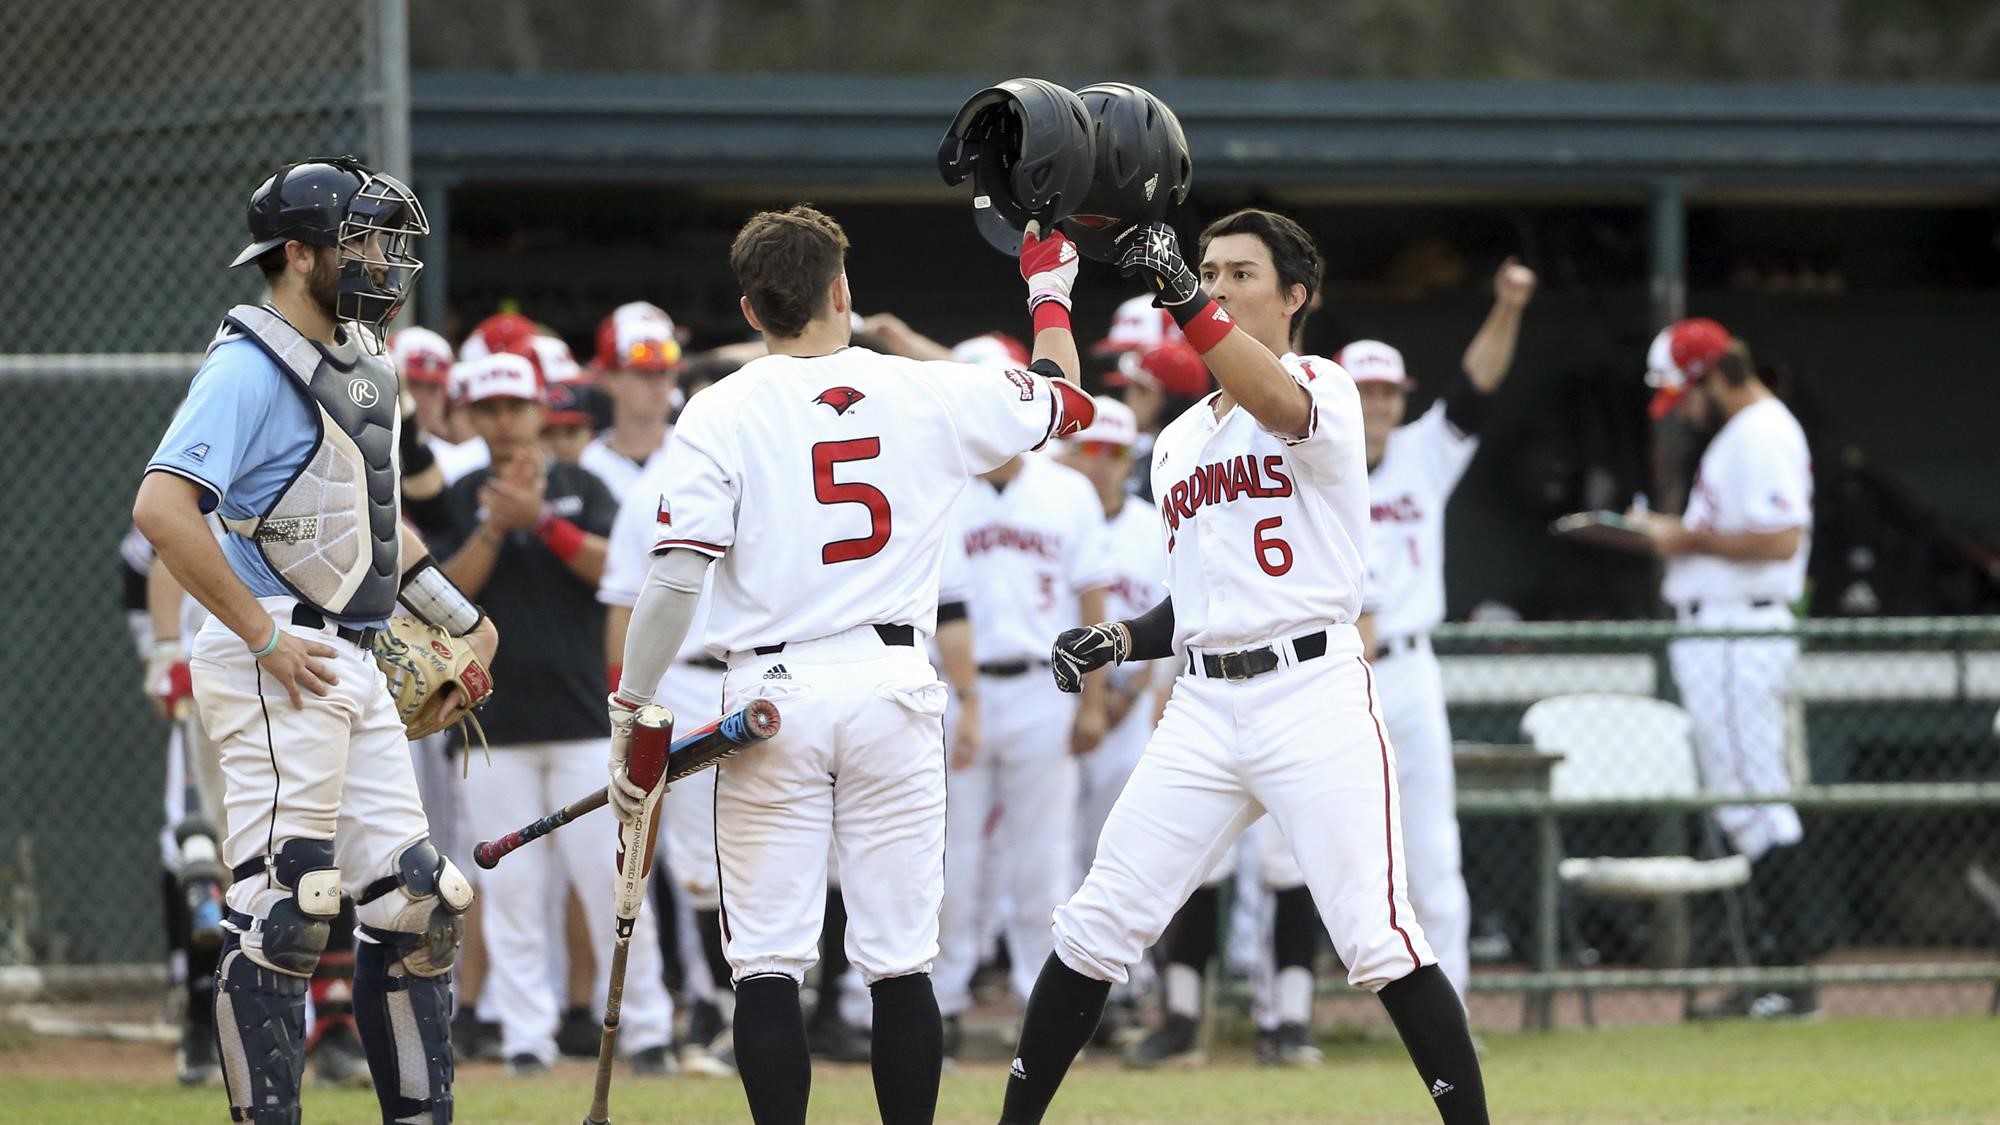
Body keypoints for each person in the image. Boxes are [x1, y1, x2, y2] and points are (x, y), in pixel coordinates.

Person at [994, 211, 1489, 1125]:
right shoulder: (1178, 439)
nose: (1217, 284)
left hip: (1312, 690)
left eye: (1240, 273)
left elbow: (1275, 403)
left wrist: (1183, 293)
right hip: (1204, 704)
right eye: (1208, 269)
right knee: (1097, 924)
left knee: (1378, 936)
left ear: (1296, 295)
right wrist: (1119, 638)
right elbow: (1199, 600)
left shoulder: (1323, 386)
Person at [607, 204, 1097, 1125]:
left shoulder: (719, 406)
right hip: (891, 683)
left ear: (751, 310)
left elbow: (674, 575)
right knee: (900, 960)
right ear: (843, 290)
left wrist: (631, 704)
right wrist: (1048, 290)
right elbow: (1068, 401)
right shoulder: (927, 388)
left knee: (766, 962)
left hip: (769, 691)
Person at [131, 155, 498, 1125]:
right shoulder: (248, 365)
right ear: (299, 254)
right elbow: (162, 510)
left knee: (420, 901)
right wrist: (260, 637)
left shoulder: (363, 360)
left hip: (352, 654)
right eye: (362, 240)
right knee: (287, 908)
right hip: (277, 653)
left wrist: (461, 618)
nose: (382, 259)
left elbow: (368, 520)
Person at [1240, 258, 1541, 1058]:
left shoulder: (1420, 453)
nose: (1378, 404)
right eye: (1367, 391)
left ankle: (1452, 1019)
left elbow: (1476, 385)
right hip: (1322, 672)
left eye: (1389, 393)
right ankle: (1280, 1013)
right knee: (1291, 847)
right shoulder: (1307, 453)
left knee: (1433, 851)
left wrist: (1508, 306)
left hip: (1406, 669)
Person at [431, 349, 677, 1075]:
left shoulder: (580, 484)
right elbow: (444, 596)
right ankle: (526, 1037)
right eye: (489, 410)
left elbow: (620, 571)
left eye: (516, 406)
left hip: (582, 719)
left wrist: (540, 520)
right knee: (510, 889)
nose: (505, 421)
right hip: (492, 725)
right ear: (472, 417)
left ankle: (647, 1028)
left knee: (612, 881)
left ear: (540, 410)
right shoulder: (458, 493)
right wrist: (494, 526)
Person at [1628, 317, 1823, 1020]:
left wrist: (1681, 537)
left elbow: (1781, 539)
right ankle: (1775, 973)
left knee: (1756, 802)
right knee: (1744, 803)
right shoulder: (1746, 433)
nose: (1683, 408)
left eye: (1686, 392)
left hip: (1739, 631)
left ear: (1713, 374)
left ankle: (1788, 977)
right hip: (1719, 629)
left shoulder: (1761, 431)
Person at [935, 425, 1112, 1056]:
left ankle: (1043, 1002)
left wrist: (1093, 700)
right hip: (958, 687)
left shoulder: (1066, 489)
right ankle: (942, 1001)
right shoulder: (943, 484)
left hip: (1046, 683)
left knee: (1045, 854)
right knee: (952, 855)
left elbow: (1093, 600)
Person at [583, 301, 683, 496]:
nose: (657, 384)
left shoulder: (695, 450)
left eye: (663, 372)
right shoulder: (586, 463)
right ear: (608, 379)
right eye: (644, 373)